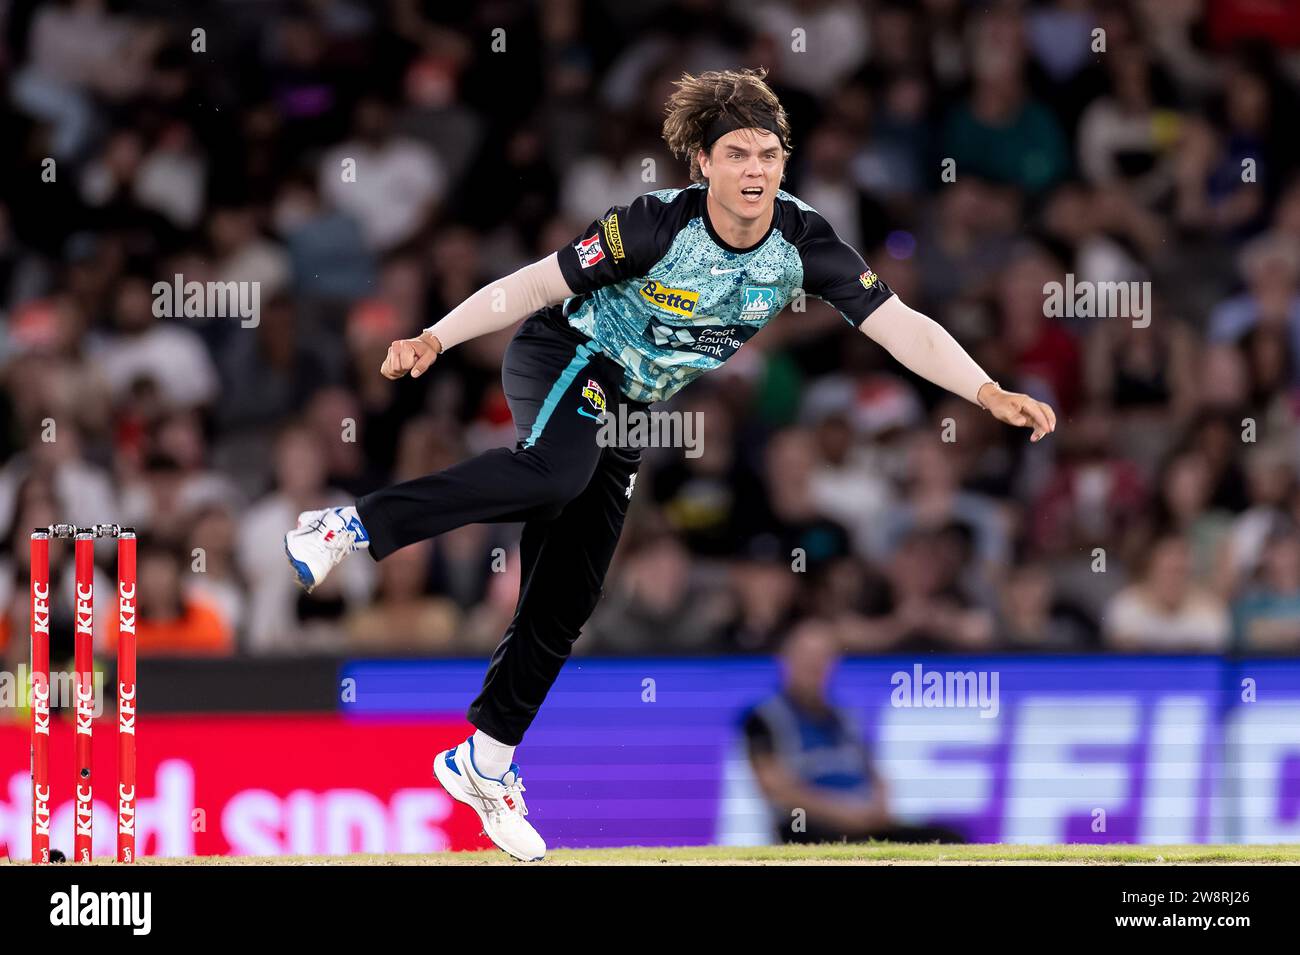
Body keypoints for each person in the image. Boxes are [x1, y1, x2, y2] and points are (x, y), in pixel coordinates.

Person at [283, 68, 1056, 861]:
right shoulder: (652, 226)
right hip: (567, 354)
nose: (756, 170)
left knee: (568, 593)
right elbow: (534, 283)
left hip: (630, 405)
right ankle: (348, 523)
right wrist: (436, 338)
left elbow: (901, 327)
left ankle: (483, 760)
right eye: (737, 154)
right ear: (702, 163)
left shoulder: (804, 241)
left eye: (769, 154)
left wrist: (987, 389)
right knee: (553, 472)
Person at [743, 619, 964, 845]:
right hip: (806, 825)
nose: (814, 666)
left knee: (947, 841)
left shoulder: (845, 718)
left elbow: (874, 774)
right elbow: (778, 790)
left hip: (861, 822)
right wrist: (844, 815)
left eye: (822, 658)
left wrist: (877, 809)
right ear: (786, 660)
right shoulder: (764, 719)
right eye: (806, 656)